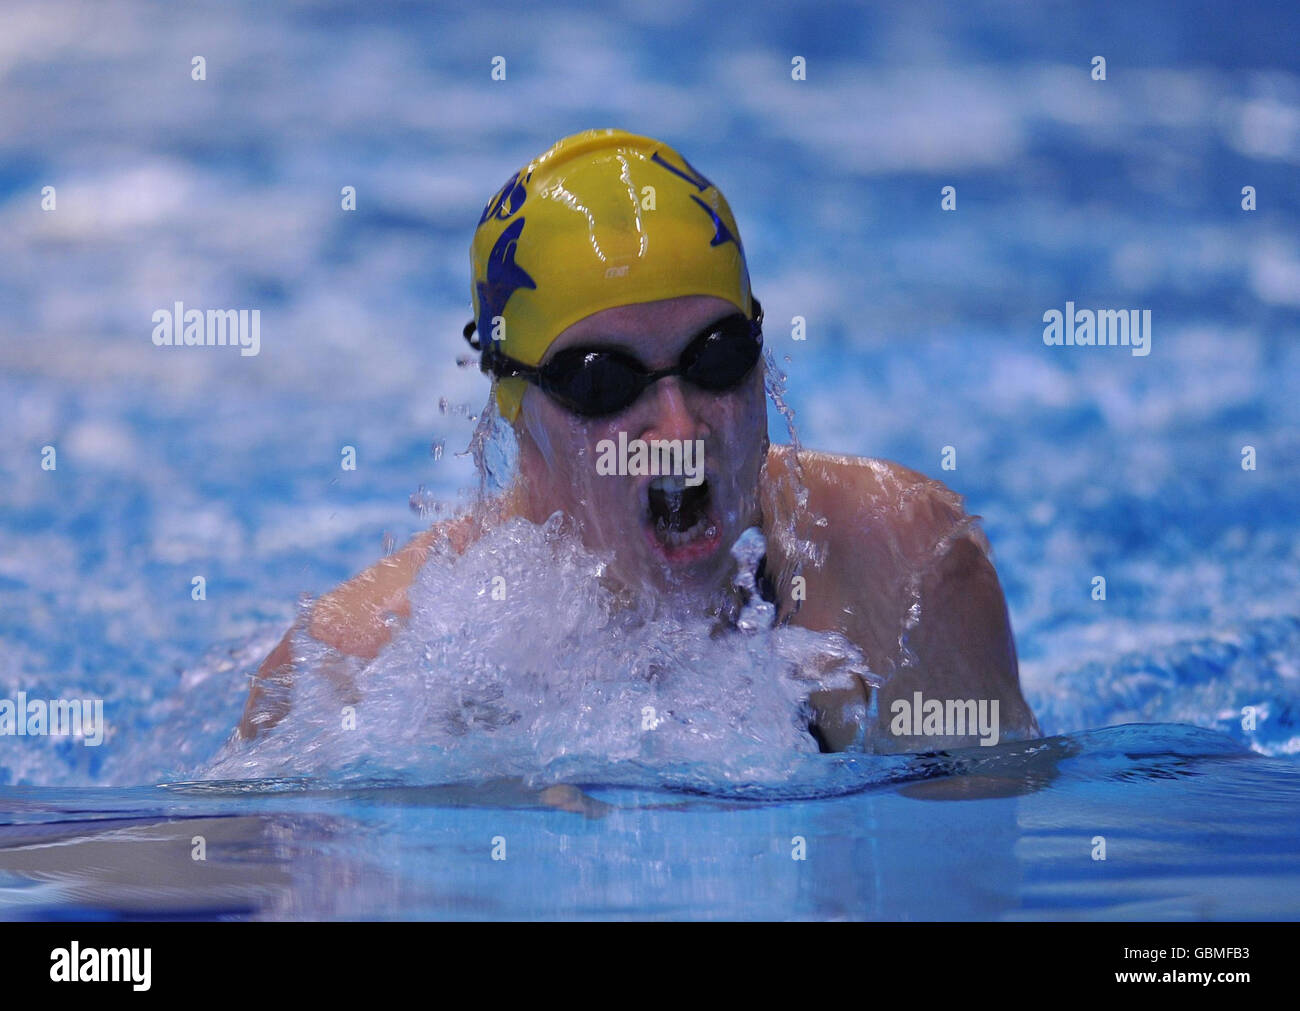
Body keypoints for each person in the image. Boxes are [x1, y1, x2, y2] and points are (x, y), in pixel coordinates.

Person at [237, 128, 1037, 753]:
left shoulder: (905, 564)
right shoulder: (358, 671)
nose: (680, 427)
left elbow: (978, 861)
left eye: (715, 357)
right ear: (514, 406)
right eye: (602, 380)